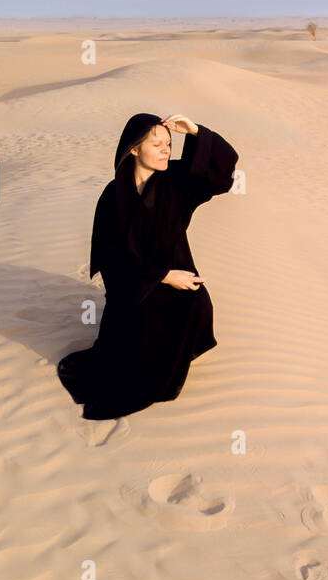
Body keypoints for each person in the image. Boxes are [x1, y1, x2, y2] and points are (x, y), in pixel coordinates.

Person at [57, 112, 239, 420]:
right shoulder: (112, 197)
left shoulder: (176, 184)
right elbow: (111, 258)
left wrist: (195, 132)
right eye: (157, 144)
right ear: (133, 149)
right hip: (136, 286)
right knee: (140, 341)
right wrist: (164, 277)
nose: (166, 150)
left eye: (169, 144)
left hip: (178, 276)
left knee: (196, 304)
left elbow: (221, 173)